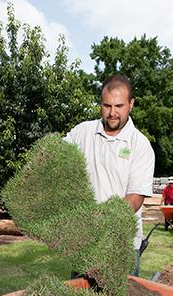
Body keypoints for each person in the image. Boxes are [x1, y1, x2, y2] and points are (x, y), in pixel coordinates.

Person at [64, 74, 155, 276]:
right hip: (84, 244)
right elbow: (58, 158)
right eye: (107, 106)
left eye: (119, 106)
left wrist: (100, 221)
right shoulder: (83, 132)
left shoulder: (140, 145)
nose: (112, 113)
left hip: (121, 245)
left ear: (131, 104)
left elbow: (135, 198)